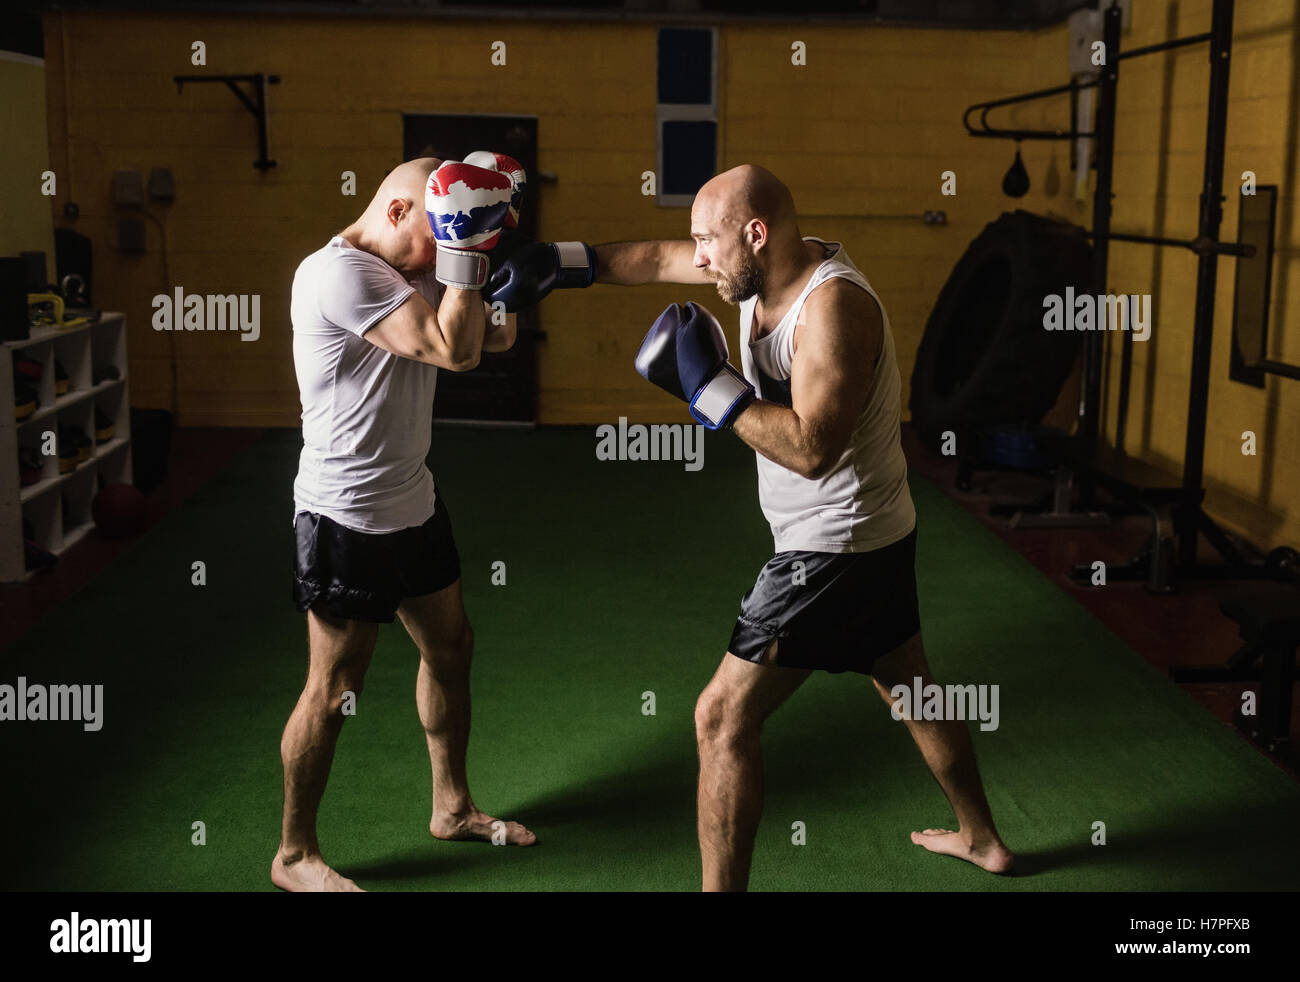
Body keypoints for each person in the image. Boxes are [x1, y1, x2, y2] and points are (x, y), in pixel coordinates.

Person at [488, 163, 1014, 892]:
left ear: (756, 235)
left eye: (710, 240)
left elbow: (811, 449)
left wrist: (710, 390)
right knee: (912, 690)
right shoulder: (756, 269)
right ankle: (984, 840)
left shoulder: (832, 312)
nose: (697, 257)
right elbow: (653, 260)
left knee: (719, 719)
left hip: (831, 551)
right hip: (877, 537)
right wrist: (564, 262)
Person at [275, 155, 536, 893]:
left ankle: (451, 808)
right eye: (438, 243)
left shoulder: (410, 259)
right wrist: (464, 265)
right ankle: (293, 855)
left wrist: (510, 277)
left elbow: (496, 338)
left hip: (413, 503)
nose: (440, 264)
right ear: (396, 212)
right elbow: (456, 349)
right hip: (344, 515)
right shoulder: (337, 275)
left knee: (451, 647)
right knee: (334, 689)